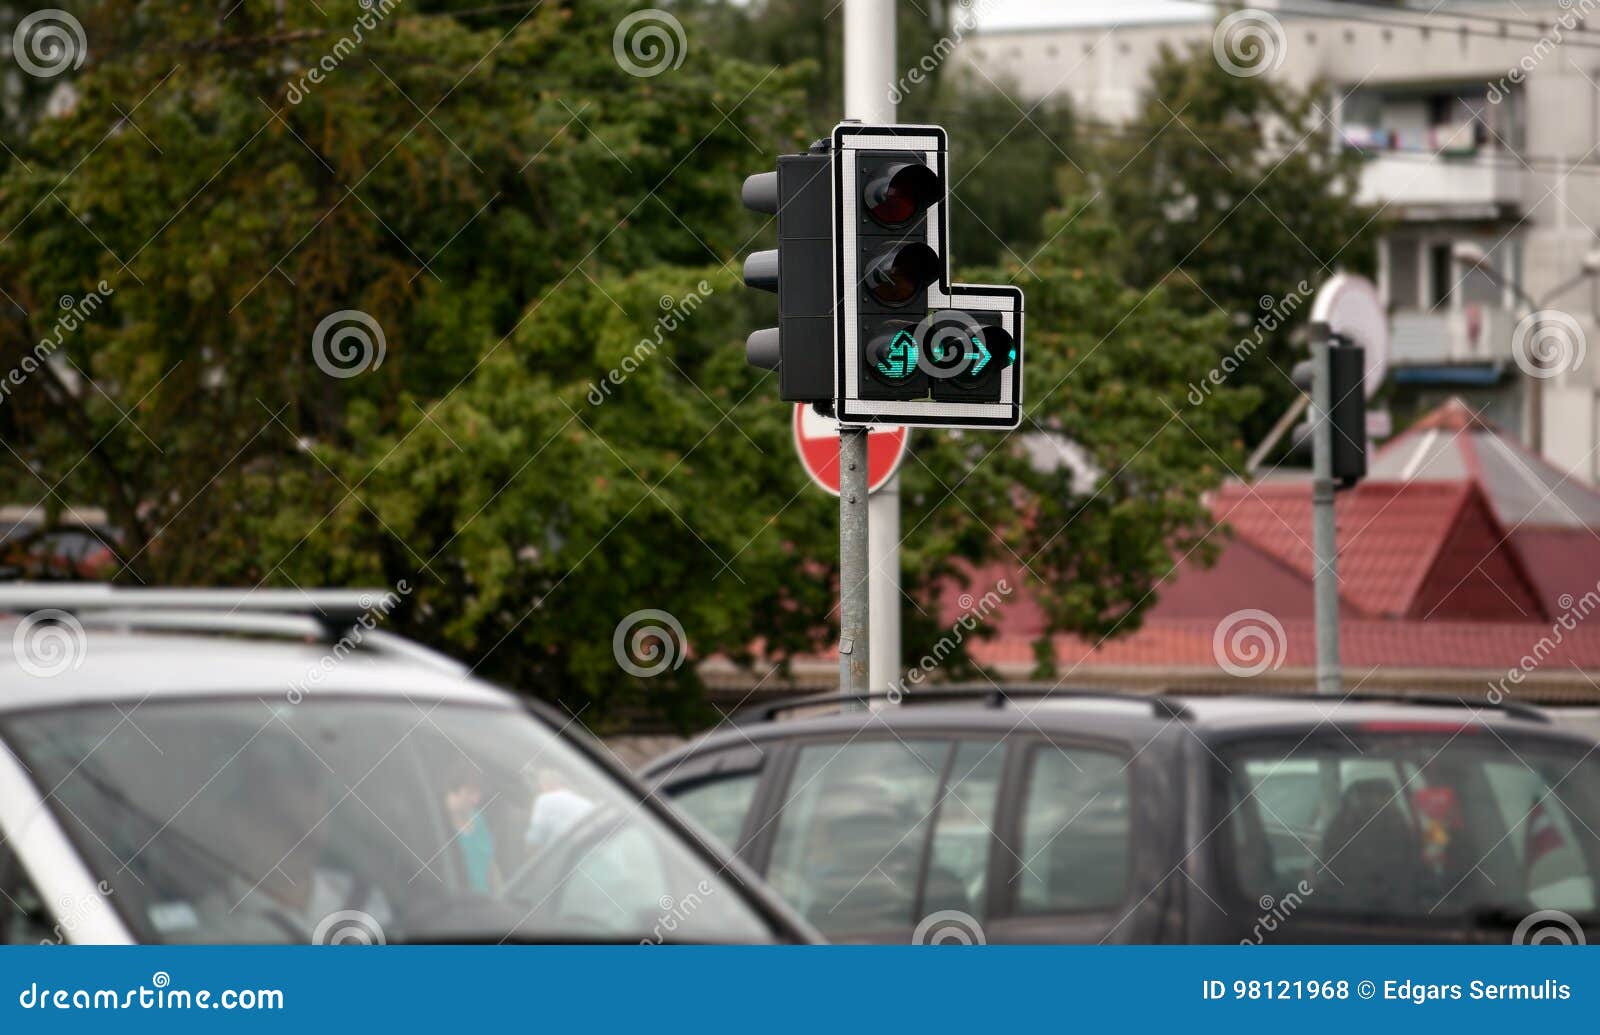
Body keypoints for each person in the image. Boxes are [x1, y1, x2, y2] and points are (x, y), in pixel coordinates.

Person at [445, 762, 500, 893]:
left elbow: (492, 867)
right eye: (470, 793)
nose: (475, 800)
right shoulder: (440, 826)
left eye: (478, 794)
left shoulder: (478, 819)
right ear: (454, 790)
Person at [525, 766, 593, 851]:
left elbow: (537, 832)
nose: (540, 788)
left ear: (544, 784)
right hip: (590, 845)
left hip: (570, 850)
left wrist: (529, 852)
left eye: (540, 784)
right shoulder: (581, 800)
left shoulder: (545, 799)